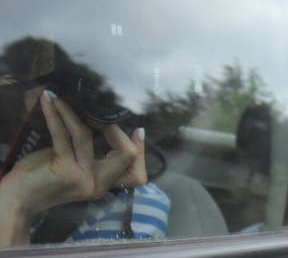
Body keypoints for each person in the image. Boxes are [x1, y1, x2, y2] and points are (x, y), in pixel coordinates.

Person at [0, 41, 169, 247]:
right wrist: (14, 196)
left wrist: (16, 201)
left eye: (105, 93)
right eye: (61, 75)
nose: (83, 96)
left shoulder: (134, 205)